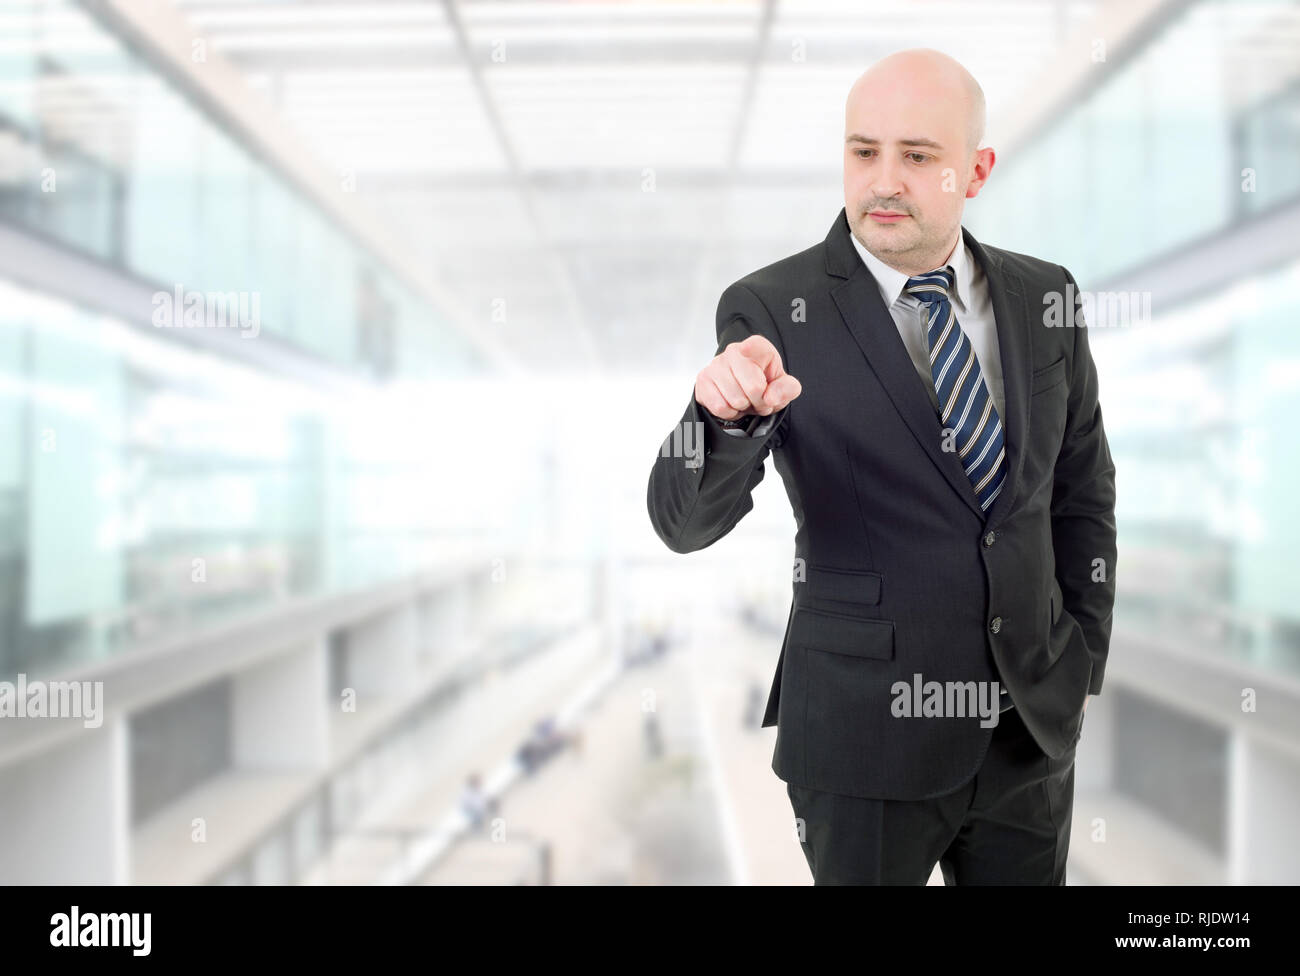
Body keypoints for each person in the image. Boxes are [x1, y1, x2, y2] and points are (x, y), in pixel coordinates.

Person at [646, 48, 1116, 885]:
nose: (884, 181)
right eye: (864, 152)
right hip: (864, 745)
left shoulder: (1048, 298)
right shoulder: (773, 307)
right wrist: (722, 420)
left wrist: (1080, 661)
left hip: (1029, 740)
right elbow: (682, 524)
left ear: (974, 172)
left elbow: (1082, 492)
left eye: (918, 156)